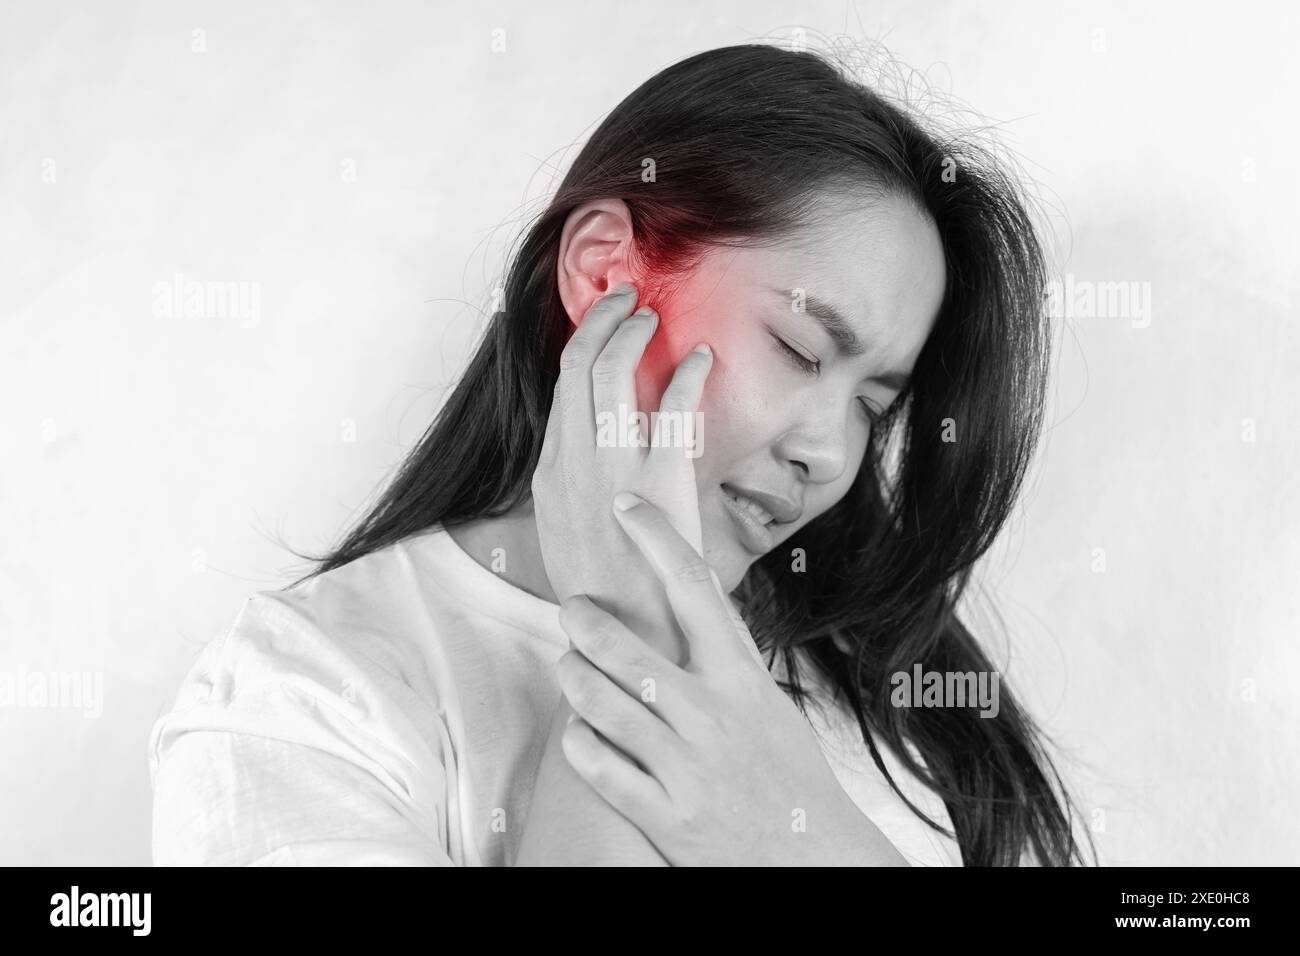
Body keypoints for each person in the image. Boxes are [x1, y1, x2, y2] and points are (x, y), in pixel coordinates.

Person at [149, 42, 1092, 866]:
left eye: (874, 408)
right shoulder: (307, 697)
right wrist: (630, 633)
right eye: (802, 351)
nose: (829, 454)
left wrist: (790, 840)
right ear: (605, 271)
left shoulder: (883, 679)